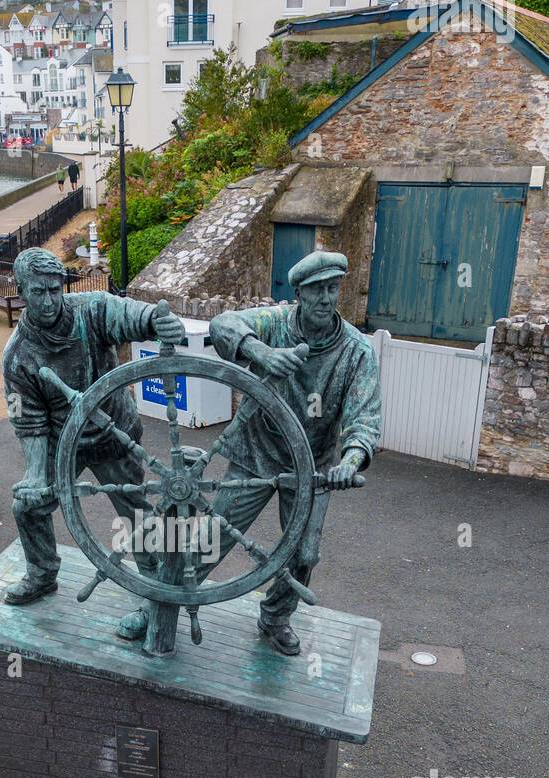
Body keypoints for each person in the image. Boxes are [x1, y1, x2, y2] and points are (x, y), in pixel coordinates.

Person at [119, 251, 381, 656]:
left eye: (332, 289)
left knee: (304, 553)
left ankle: (275, 616)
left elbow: (364, 419)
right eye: (316, 291)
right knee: (212, 537)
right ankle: (156, 604)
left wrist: (351, 460)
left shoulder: (356, 352)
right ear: (298, 293)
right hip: (256, 452)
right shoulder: (273, 324)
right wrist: (263, 355)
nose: (326, 299)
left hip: (311, 466)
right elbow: (222, 325)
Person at [1, 247, 186, 606]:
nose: (50, 300)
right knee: (27, 507)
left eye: (55, 289)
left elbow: (130, 315)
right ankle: (41, 574)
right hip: (64, 440)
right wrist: (37, 476)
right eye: (38, 292)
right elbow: (30, 423)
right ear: (21, 293)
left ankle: (156, 594)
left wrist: (156, 320)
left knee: (136, 515)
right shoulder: (18, 356)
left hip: (116, 433)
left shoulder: (94, 309)